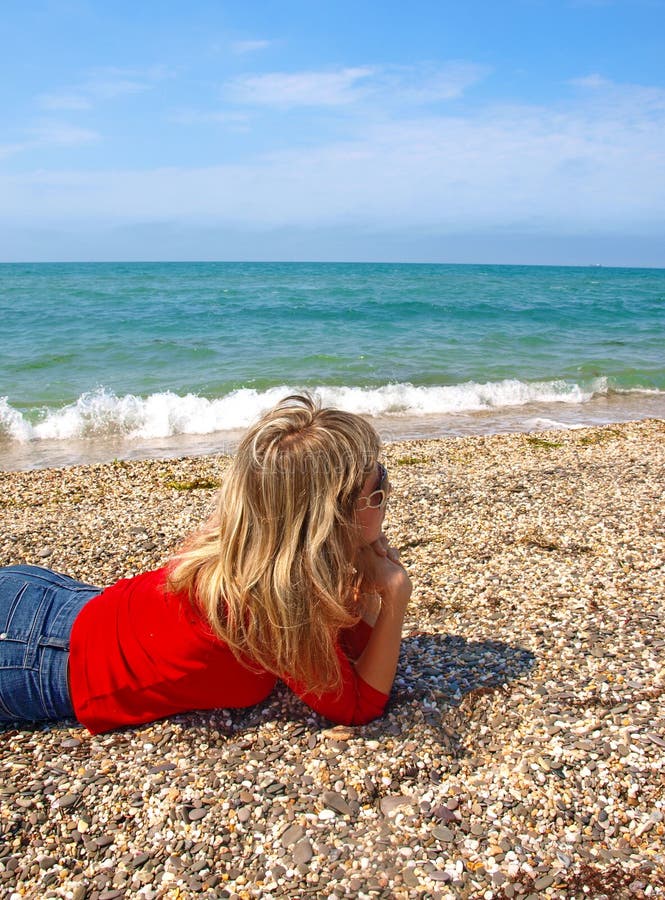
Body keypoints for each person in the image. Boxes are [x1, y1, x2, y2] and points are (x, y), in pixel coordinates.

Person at [0, 394, 412, 733]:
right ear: (333, 516)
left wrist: (362, 579)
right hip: (35, 657)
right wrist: (393, 596)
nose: (388, 487)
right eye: (378, 483)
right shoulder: (273, 604)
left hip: (56, 600)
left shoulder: (255, 543)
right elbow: (358, 705)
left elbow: (348, 650)